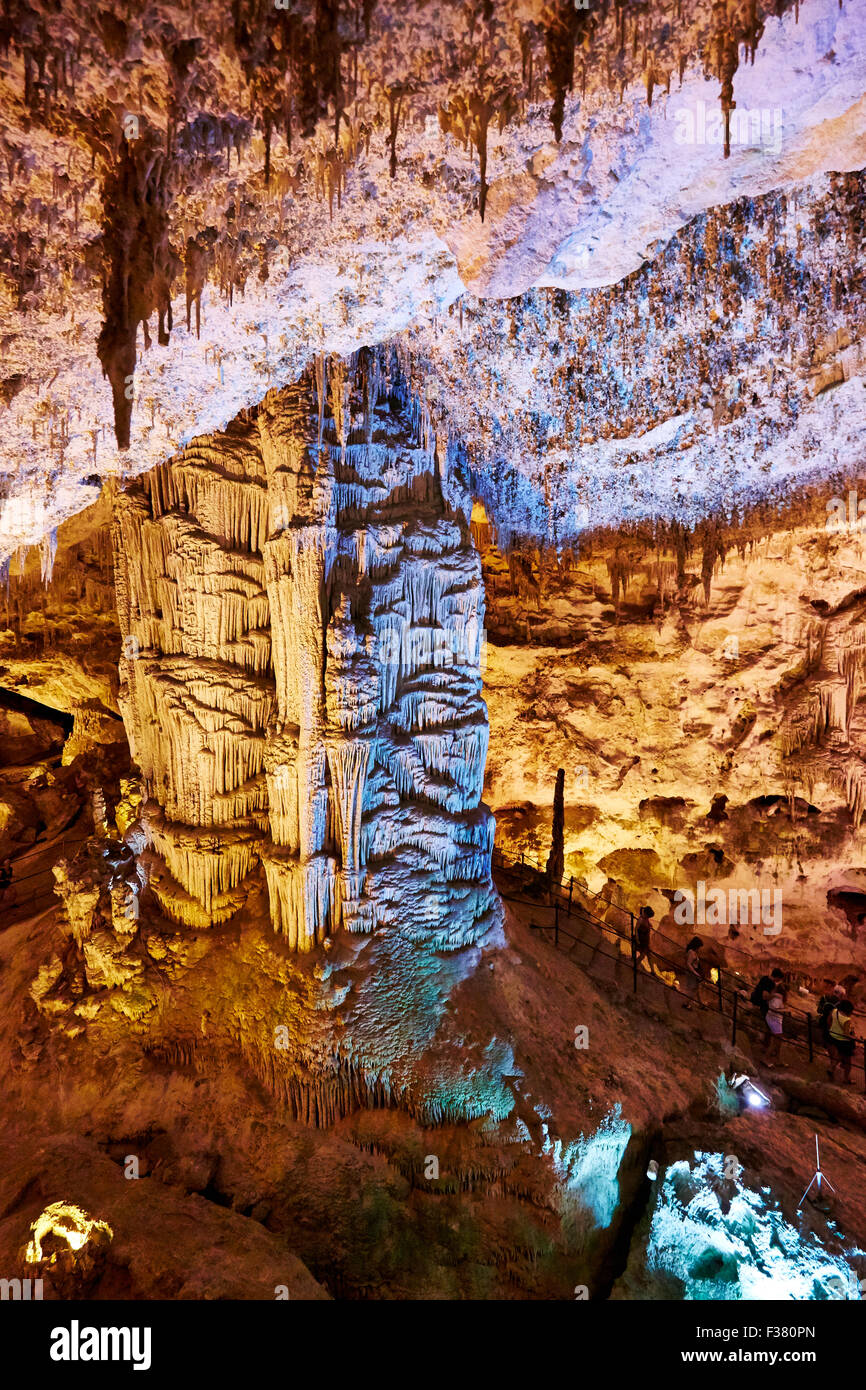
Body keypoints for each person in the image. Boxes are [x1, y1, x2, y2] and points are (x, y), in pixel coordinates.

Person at [827, 999, 856, 1084]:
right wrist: (854, 1037)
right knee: (848, 1062)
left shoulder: (834, 1011)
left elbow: (829, 1021)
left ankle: (832, 1068)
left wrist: (833, 1030)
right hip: (844, 1042)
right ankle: (846, 1079)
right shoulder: (846, 1020)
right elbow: (846, 1034)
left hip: (834, 1038)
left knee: (839, 1055)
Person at [761, 981, 787, 1066]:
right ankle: (765, 1058)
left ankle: (778, 1059)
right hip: (774, 1020)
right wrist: (786, 1010)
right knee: (776, 1042)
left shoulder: (775, 997)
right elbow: (774, 1009)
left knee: (778, 1041)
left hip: (775, 1020)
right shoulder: (777, 998)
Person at [681, 936, 704, 1009]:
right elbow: (688, 964)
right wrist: (695, 973)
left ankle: (700, 1004)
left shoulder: (694, 952)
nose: (699, 948)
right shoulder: (691, 952)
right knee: (692, 989)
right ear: (696, 945)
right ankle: (685, 1003)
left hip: (694, 972)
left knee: (696, 989)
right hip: (692, 973)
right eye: (699, 947)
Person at [634, 906, 654, 973]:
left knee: (649, 956)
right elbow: (636, 929)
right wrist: (637, 939)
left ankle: (653, 971)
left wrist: (650, 925)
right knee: (643, 955)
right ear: (646, 914)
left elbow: (647, 924)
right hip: (642, 939)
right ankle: (635, 965)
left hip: (646, 939)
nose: (648, 917)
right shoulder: (641, 919)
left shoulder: (646, 919)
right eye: (648, 916)